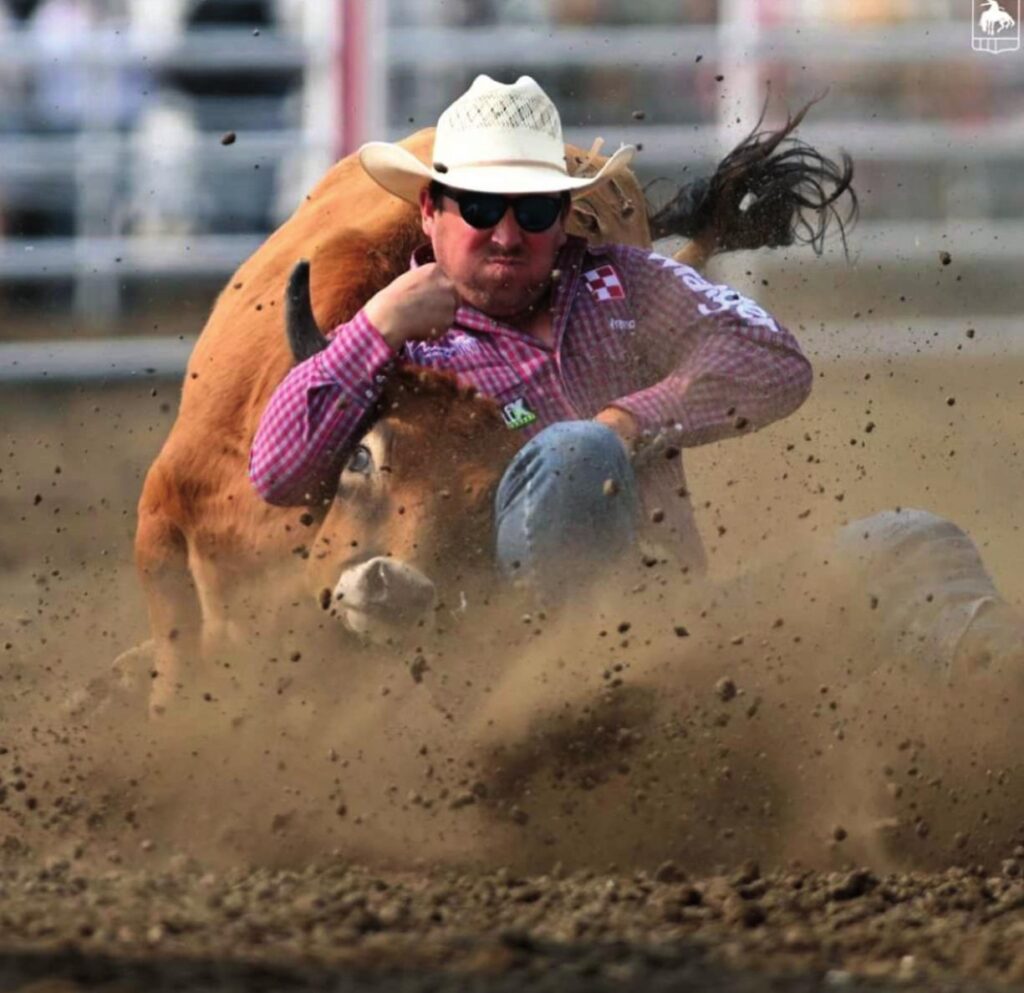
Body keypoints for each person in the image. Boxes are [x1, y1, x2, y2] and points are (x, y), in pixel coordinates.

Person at [249, 74, 812, 605]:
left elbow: (773, 358)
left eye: (535, 209)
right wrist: (376, 328)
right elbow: (277, 474)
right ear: (430, 211)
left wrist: (626, 422)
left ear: (563, 215)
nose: (507, 235)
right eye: (480, 206)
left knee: (894, 550)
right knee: (578, 452)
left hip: (674, 622)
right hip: (492, 644)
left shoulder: (623, 282)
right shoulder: (395, 342)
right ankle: (563, 666)